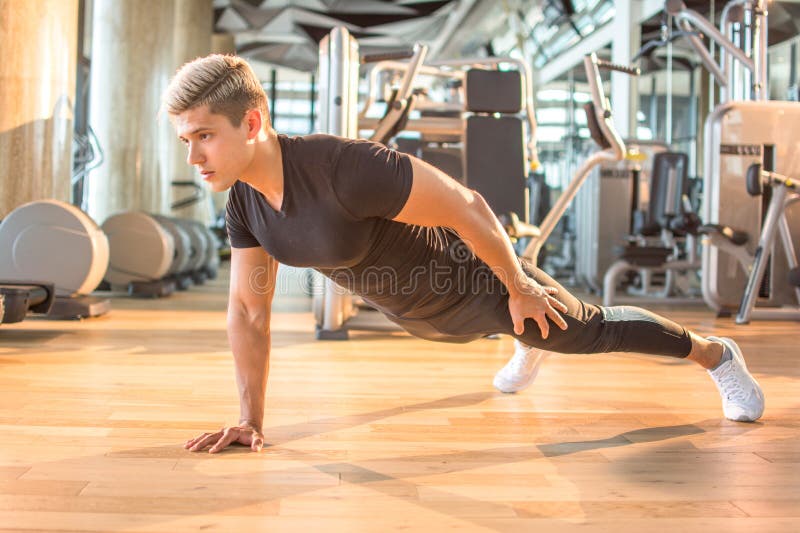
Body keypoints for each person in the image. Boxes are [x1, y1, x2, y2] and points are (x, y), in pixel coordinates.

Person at [163, 54, 765, 454]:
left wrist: (519, 287)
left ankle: (714, 354)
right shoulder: (243, 206)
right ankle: (526, 339)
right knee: (528, 331)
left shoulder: (342, 168)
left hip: (474, 284)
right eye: (186, 141)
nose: (194, 158)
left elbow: (470, 207)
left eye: (205, 136)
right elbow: (247, 311)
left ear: (252, 121)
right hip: (416, 314)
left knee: (586, 331)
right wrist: (251, 421)